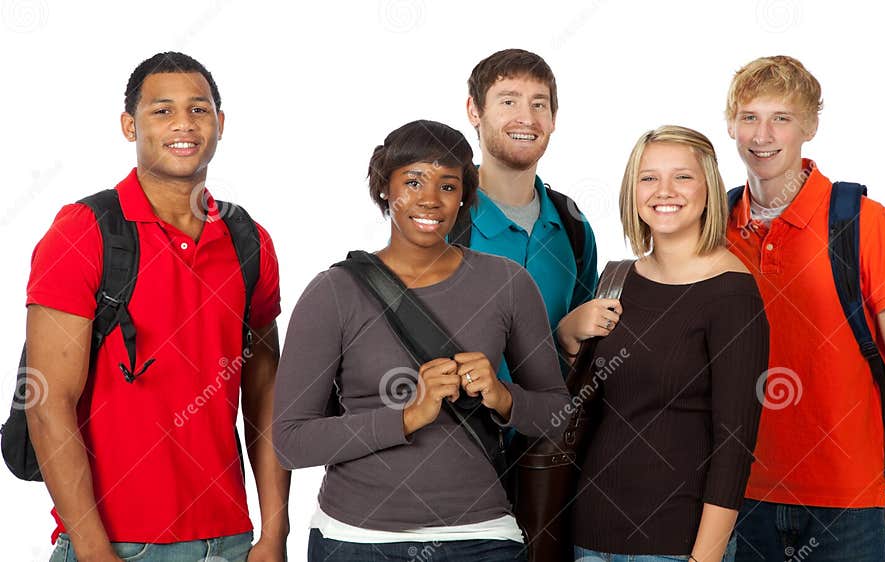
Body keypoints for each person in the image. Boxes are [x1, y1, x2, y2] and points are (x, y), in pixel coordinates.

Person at [25, 52, 289, 562]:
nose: (184, 124)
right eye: (162, 110)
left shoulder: (249, 241)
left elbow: (266, 394)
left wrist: (274, 533)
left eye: (199, 109)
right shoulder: (84, 231)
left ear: (220, 123)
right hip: (114, 543)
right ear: (130, 125)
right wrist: (94, 551)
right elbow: (47, 404)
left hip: (230, 540)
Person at [272, 120, 570, 562]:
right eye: (413, 182)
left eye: (448, 186)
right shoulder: (334, 291)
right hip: (355, 541)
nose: (430, 199)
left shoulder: (507, 283)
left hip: (483, 537)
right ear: (385, 189)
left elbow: (559, 416)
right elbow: (290, 441)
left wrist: (502, 396)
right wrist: (408, 416)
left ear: (466, 195)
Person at [724, 56, 885, 561]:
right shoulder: (717, 224)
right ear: (730, 124)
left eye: (782, 118)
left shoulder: (862, 220)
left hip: (849, 502)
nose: (762, 134)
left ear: (810, 126)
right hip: (738, 497)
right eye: (749, 117)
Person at [559, 125, 770, 562]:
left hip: (676, 545)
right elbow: (578, 405)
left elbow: (735, 445)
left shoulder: (732, 294)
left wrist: (706, 557)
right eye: (649, 177)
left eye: (683, 177)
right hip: (590, 535)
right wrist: (567, 333)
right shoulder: (616, 281)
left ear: (708, 189)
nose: (664, 191)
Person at [459, 48, 599, 379]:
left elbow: (586, 349)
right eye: (509, 102)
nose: (527, 118)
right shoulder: (444, 216)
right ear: (474, 111)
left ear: (553, 119)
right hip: (457, 429)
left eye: (539, 104)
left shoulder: (572, 224)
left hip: (548, 429)